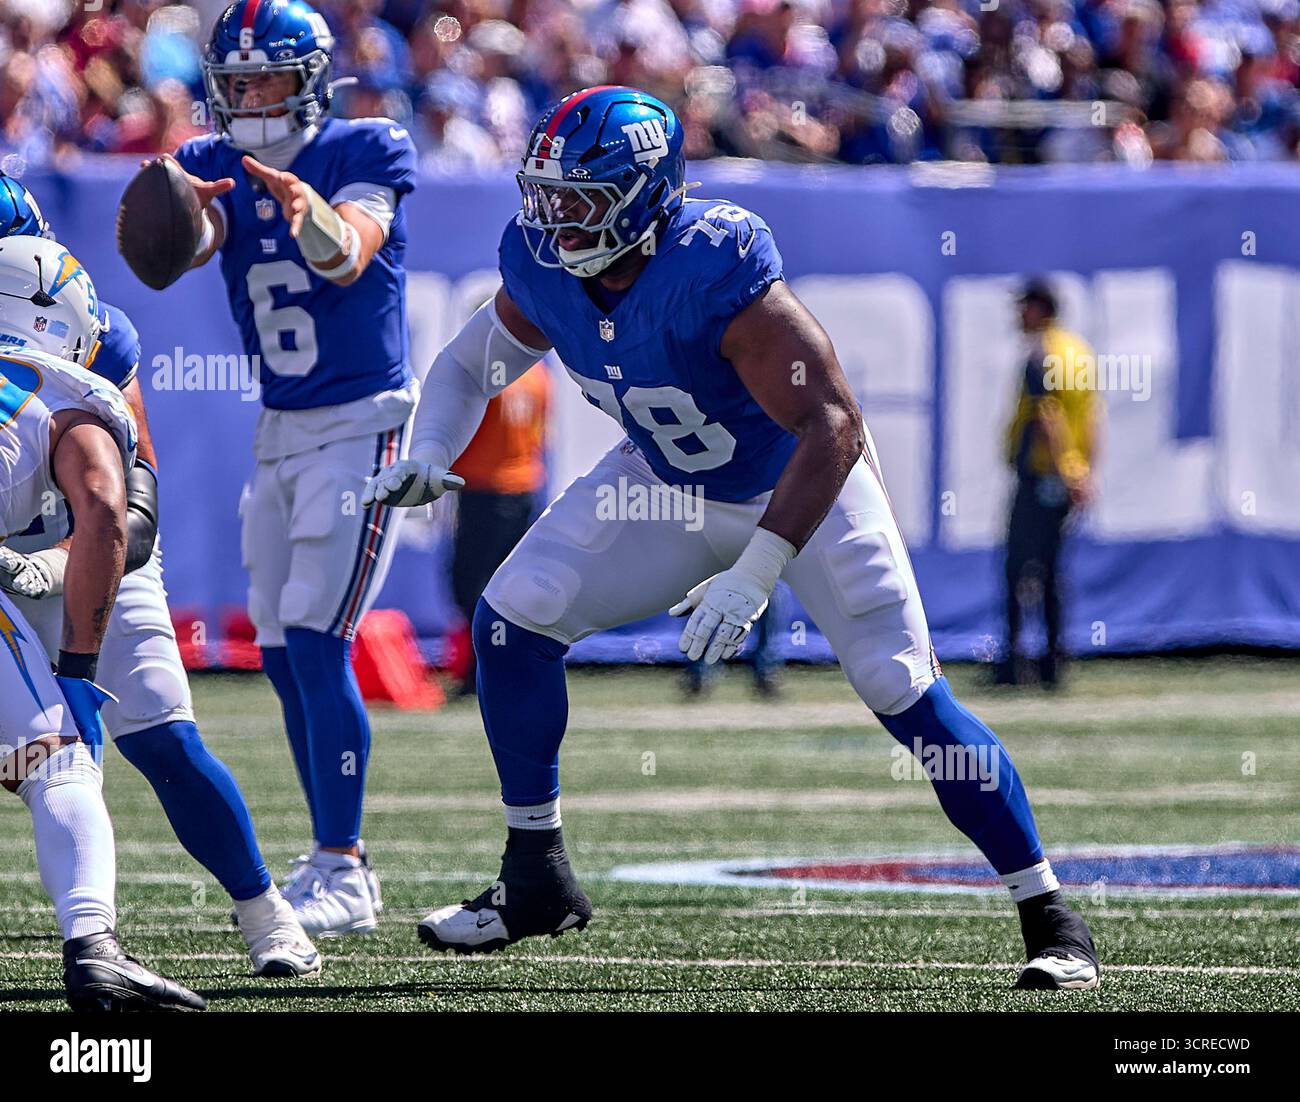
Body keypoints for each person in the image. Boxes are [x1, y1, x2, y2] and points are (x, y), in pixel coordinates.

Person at [364, 86, 1100, 991]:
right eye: (544, 195)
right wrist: (432, 448)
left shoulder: (717, 264)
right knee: (513, 620)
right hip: (667, 488)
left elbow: (832, 426)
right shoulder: (544, 260)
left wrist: (759, 569)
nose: (553, 219)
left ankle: (1051, 914)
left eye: (578, 198)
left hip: (802, 491)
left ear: (642, 196)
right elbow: (472, 362)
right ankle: (534, 878)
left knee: (902, 691)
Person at [0, 172, 319, 976]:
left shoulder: (87, 335)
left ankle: (266, 913)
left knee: (161, 737)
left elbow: (128, 511)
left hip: (85, 549)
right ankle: (94, 932)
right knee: (50, 757)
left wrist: (58, 565)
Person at [167, 0, 419, 937]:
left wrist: (302, 205)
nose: (249, 97)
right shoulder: (211, 161)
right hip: (280, 425)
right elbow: (169, 256)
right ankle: (329, 855)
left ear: (310, 78)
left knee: (318, 636)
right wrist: (175, 216)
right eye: (234, 84)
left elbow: (349, 255)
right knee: (277, 650)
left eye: (265, 78)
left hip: (364, 421)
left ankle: (344, 867)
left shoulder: (367, 147)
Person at [0, 235, 206, 1011]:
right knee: (58, 764)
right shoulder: (64, 388)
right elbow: (107, 515)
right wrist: (81, 667)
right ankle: (97, 948)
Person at [997, 278, 1101, 688]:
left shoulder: (1042, 354)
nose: (1018, 315)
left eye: (1024, 306)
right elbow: (1092, 420)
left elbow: (1047, 418)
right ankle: (1054, 663)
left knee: (1018, 570)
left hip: (1042, 474)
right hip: (1066, 476)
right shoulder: (1079, 351)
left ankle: (1015, 663)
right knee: (1053, 570)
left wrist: (1064, 469)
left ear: (1041, 308)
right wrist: (1084, 472)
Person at [445, 362, 550, 695]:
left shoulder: (486, 373)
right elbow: (542, 431)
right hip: (522, 486)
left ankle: (484, 670)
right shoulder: (537, 375)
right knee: (505, 587)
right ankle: (505, 667)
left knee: (471, 585)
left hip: (485, 490)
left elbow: (459, 428)